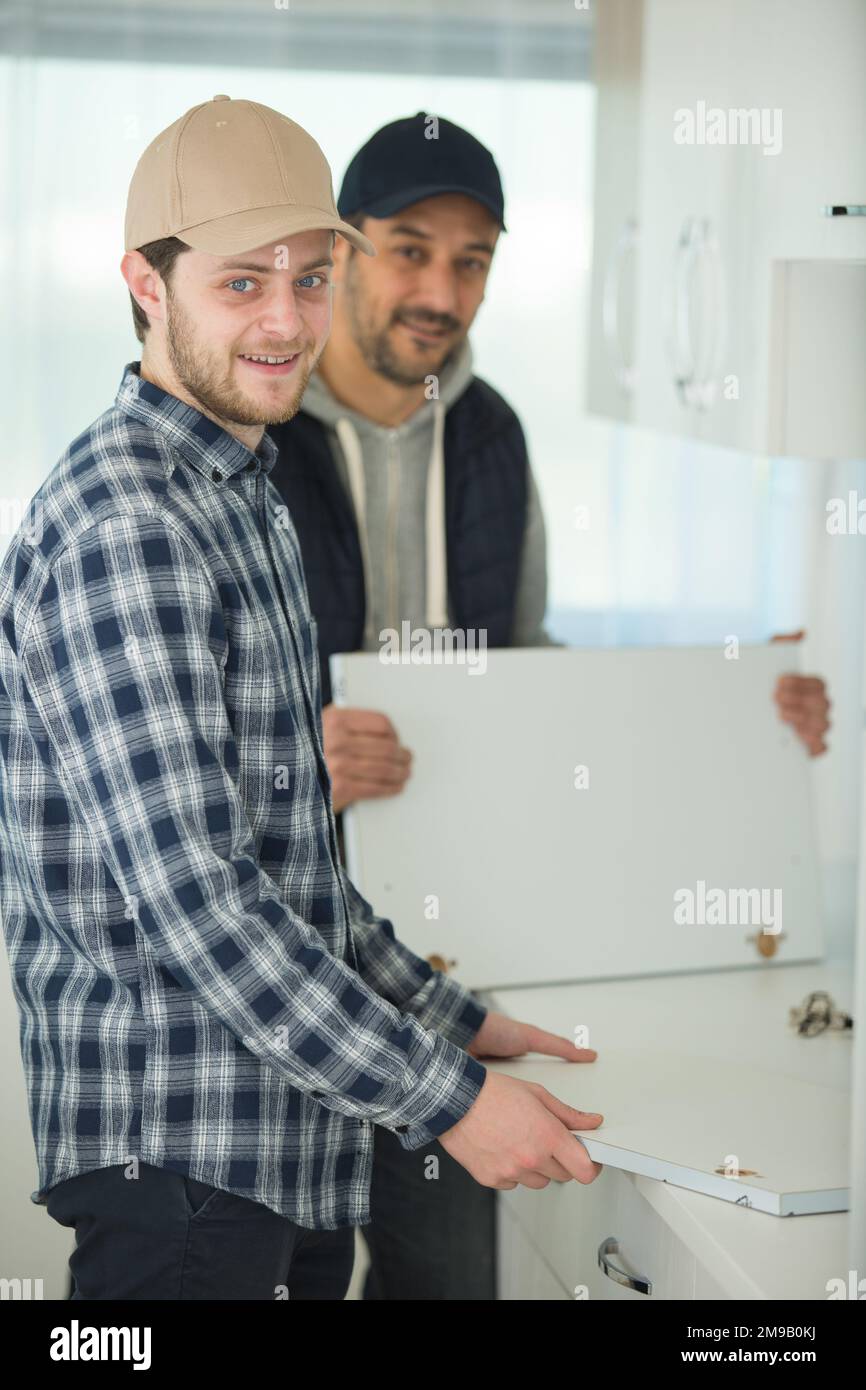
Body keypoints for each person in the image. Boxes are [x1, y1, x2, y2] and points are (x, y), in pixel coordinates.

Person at [0, 97, 604, 1303]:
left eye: (310, 278)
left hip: (279, 1134)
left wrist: (454, 1018)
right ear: (143, 283)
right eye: (239, 285)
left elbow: (292, 876)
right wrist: (457, 1101)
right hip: (184, 1167)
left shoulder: (241, 487)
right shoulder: (133, 524)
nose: (287, 322)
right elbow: (204, 906)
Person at [267, 113, 832, 1299]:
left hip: (455, 940)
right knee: (287, 1269)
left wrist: (731, 708)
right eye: (410, 248)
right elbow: (159, 710)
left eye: (471, 259)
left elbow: (530, 666)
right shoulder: (255, 435)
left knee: (445, 1275)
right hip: (282, 946)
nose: (440, 288)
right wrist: (286, 754)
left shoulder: (489, 433)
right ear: (343, 248)